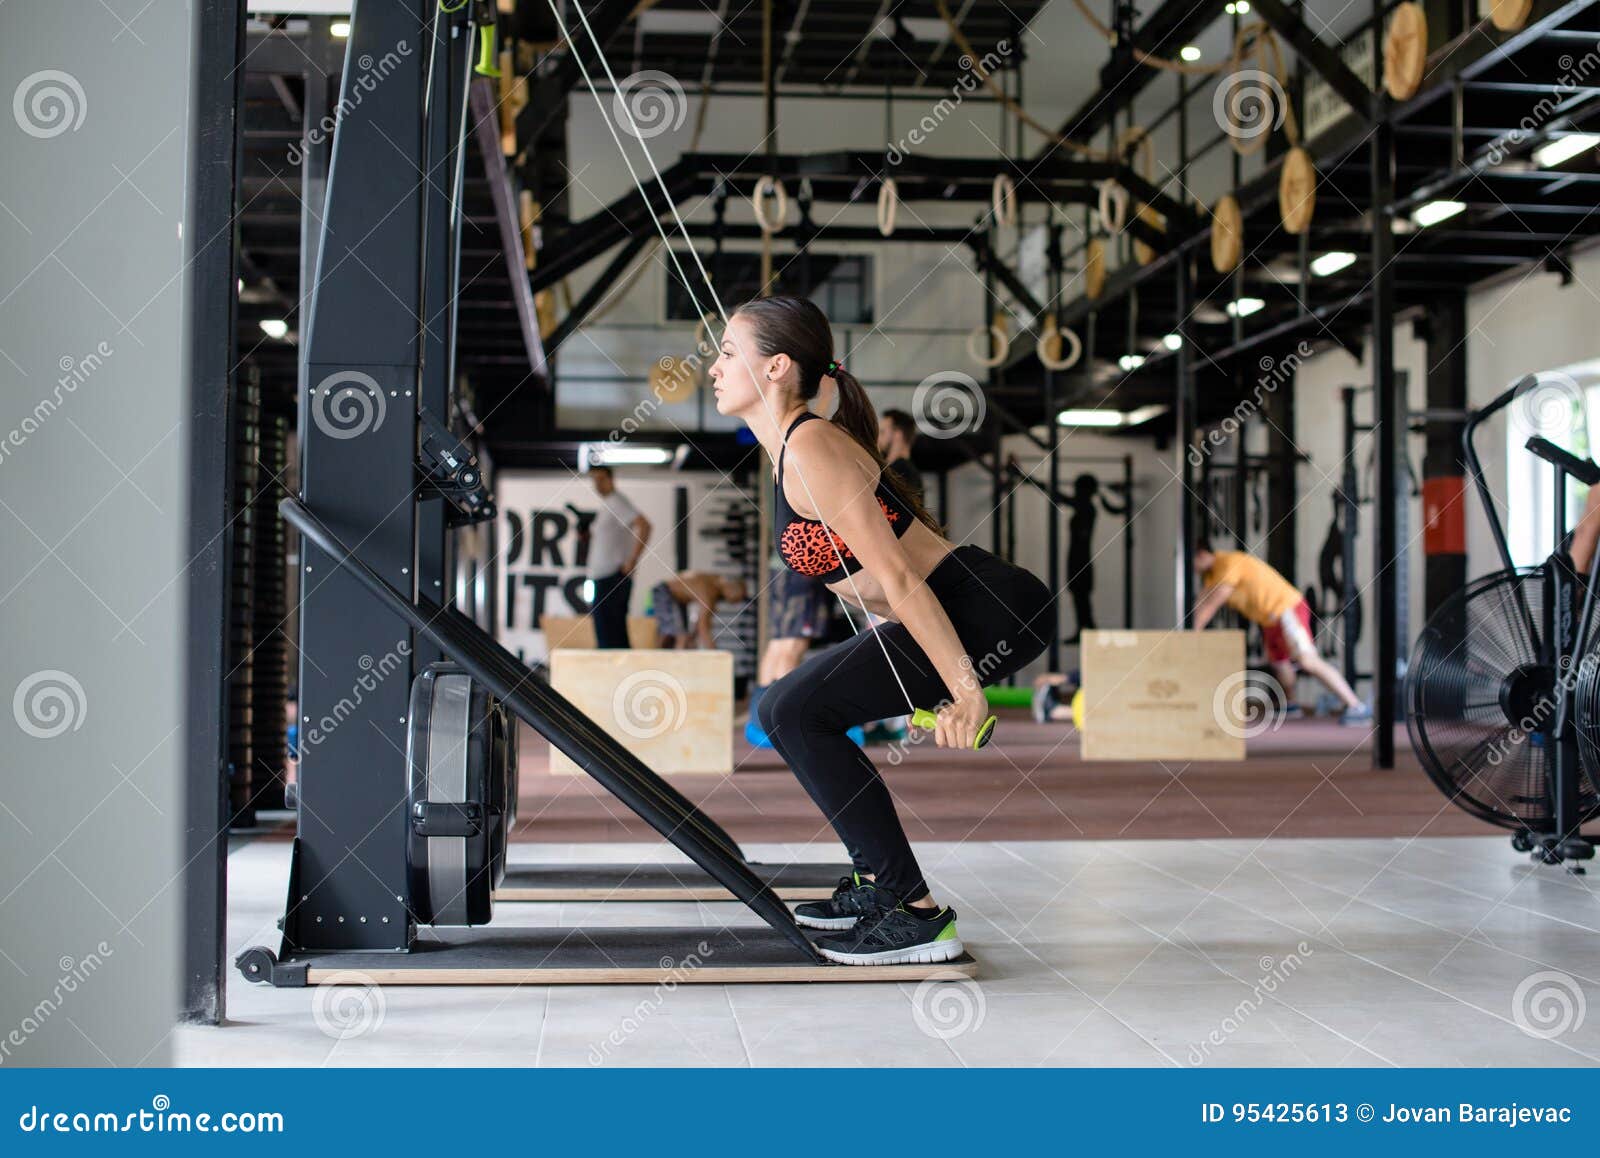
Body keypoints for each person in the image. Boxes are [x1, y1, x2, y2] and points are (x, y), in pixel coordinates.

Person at [712, 295, 1054, 965]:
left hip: (986, 603)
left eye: (728, 353)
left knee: (791, 709)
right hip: (961, 605)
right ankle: (883, 888)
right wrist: (925, 683)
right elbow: (885, 594)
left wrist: (966, 689)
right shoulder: (794, 449)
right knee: (792, 707)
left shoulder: (811, 446)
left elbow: (901, 579)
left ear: (776, 367)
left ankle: (911, 910)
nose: (714, 368)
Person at [1192, 539, 1371, 725]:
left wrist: (1189, 636)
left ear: (1202, 555)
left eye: (1192, 562)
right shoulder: (1211, 576)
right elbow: (1201, 602)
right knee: (1279, 662)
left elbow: (1210, 605)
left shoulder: (1227, 563)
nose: (1193, 568)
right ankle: (1291, 704)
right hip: (1269, 618)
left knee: (1307, 660)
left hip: (1286, 608)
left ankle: (1356, 706)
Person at [584, 465, 651, 649]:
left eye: (600, 479)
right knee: (606, 634)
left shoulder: (617, 502)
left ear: (610, 479)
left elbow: (644, 525)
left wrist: (632, 560)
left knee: (611, 637)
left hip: (612, 578)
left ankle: (617, 676)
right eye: (594, 480)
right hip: (602, 578)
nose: (597, 484)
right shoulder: (608, 505)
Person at [1064, 472, 1126, 641]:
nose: (1074, 491)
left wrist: (1028, 477)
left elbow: (1060, 498)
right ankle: (1085, 630)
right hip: (1077, 558)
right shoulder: (1085, 507)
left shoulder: (1086, 507)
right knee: (1079, 597)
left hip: (1080, 559)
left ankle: (1089, 631)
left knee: (1081, 597)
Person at [648, 570, 747, 649]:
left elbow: (700, 623)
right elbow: (703, 627)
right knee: (680, 637)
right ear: (728, 587)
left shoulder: (713, 582)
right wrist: (715, 655)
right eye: (735, 597)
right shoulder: (708, 591)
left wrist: (692, 637)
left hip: (675, 598)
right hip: (664, 592)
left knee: (683, 639)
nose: (732, 601)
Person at [877, 408, 924, 503]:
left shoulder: (902, 472)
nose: (878, 438)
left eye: (882, 432)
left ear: (897, 434)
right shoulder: (903, 470)